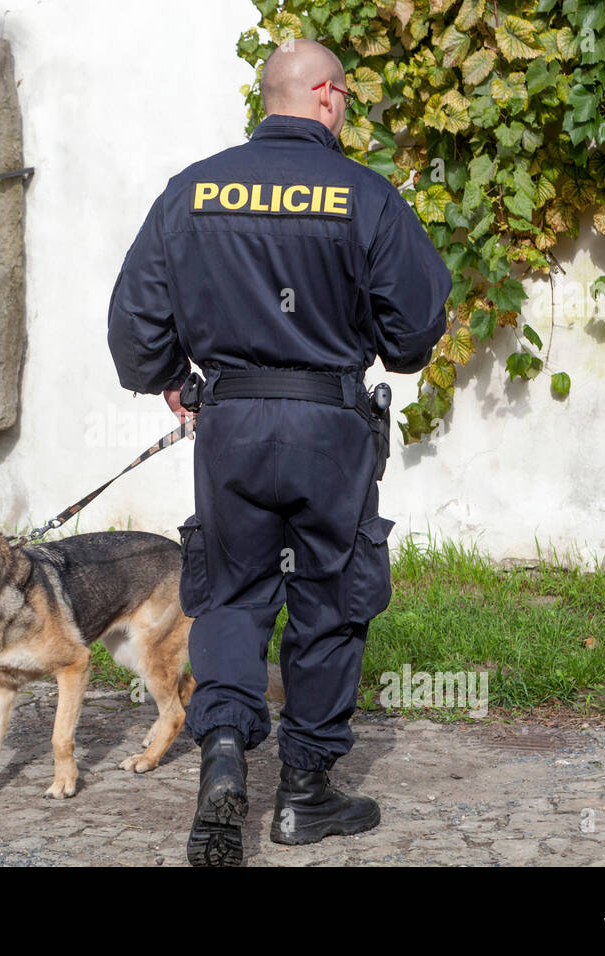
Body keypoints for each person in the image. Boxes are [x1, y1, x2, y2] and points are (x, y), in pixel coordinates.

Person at [106, 38, 451, 866]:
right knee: (331, 597)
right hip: (329, 430)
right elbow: (415, 332)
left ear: (272, 99)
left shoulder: (192, 192)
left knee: (229, 594)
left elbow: (133, 332)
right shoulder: (366, 198)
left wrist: (178, 381)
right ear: (327, 97)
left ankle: (223, 756)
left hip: (230, 430)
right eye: (345, 98)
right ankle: (304, 795)